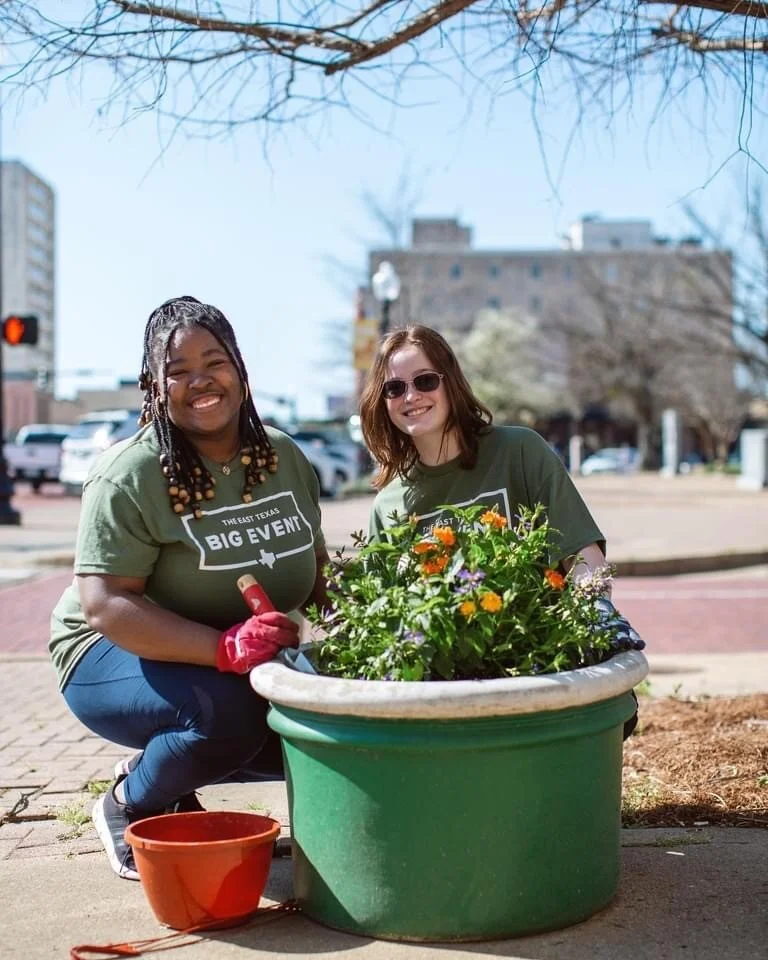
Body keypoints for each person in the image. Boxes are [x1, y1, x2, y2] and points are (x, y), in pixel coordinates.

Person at [50, 296, 329, 880]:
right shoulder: (130, 472)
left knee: (319, 729)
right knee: (227, 718)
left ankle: (176, 778)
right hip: (109, 650)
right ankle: (131, 802)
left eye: (215, 362)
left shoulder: (283, 456)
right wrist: (223, 650)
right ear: (155, 385)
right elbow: (106, 604)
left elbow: (317, 568)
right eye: (178, 371)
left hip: (234, 655)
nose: (200, 381)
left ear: (240, 369)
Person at [358, 323, 641, 732]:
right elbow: (384, 621)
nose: (411, 397)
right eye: (394, 388)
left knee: (611, 710)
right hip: (445, 682)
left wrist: (594, 623)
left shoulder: (519, 452)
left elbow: (583, 560)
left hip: (540, 659)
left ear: (450, 383)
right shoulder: (388, 506)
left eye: (424, 381)